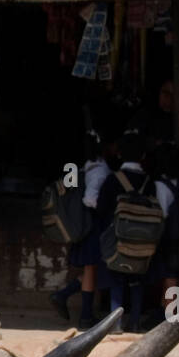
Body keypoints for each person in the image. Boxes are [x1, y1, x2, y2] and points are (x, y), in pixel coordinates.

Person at [49, 126, 112, 325]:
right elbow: (89, 199)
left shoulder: (82, 168)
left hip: (82, 224)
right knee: (93, 267)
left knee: (91, 268)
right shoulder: (100, 170)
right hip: (93, 224)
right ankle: (85, 314)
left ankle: (65, 297)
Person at [94, 130, 154, 332]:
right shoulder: (149, 182)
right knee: (137, 280)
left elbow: (101, 207)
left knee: (116, 279)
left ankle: (115, 323)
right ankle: (135, 321)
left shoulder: (112, 180)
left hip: (117, 240)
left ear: (119, 154)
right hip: (144, 241)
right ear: (143, 156)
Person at [147, 141, 179, 328]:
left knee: (169, 277)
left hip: (169, 235)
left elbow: (162, 212)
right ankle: (171, 312)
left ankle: (168, 318)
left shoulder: (160, 186)